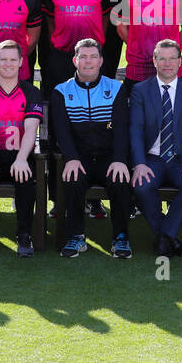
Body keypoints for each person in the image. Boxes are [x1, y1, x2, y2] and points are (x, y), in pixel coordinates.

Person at [50, 39, 134, 259]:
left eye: (93, 57)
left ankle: (121, 237)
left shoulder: (116, 88)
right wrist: (71, 158)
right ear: (75, 60)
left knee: (120, 180)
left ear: (101, 61)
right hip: (80, 158)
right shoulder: (61, 91)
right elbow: (61, 131)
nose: (88, 62)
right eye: (83, 57)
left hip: (109, 157)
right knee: (73, 178)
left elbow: (122, 129)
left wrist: (119, 159)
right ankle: (75, 236)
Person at [129, 39, 182, 257]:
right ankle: (169, 237)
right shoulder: (140, 90)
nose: (167, 63)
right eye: (162, 59)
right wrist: (139, 164)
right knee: (142, 185)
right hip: (152, 158)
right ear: (154, 61)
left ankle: (164, 237)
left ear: (180, 62)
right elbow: (135, 130)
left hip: (181, 160)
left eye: (173, 58)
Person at [0, 40, 45, 257]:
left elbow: (31, 129)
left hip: (19, 153)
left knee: (25, 177)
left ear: (21, 62)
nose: (8, 64)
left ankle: (24, 235)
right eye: (3, 59)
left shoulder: (31, 92)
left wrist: (22, 159)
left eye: (13, 59)